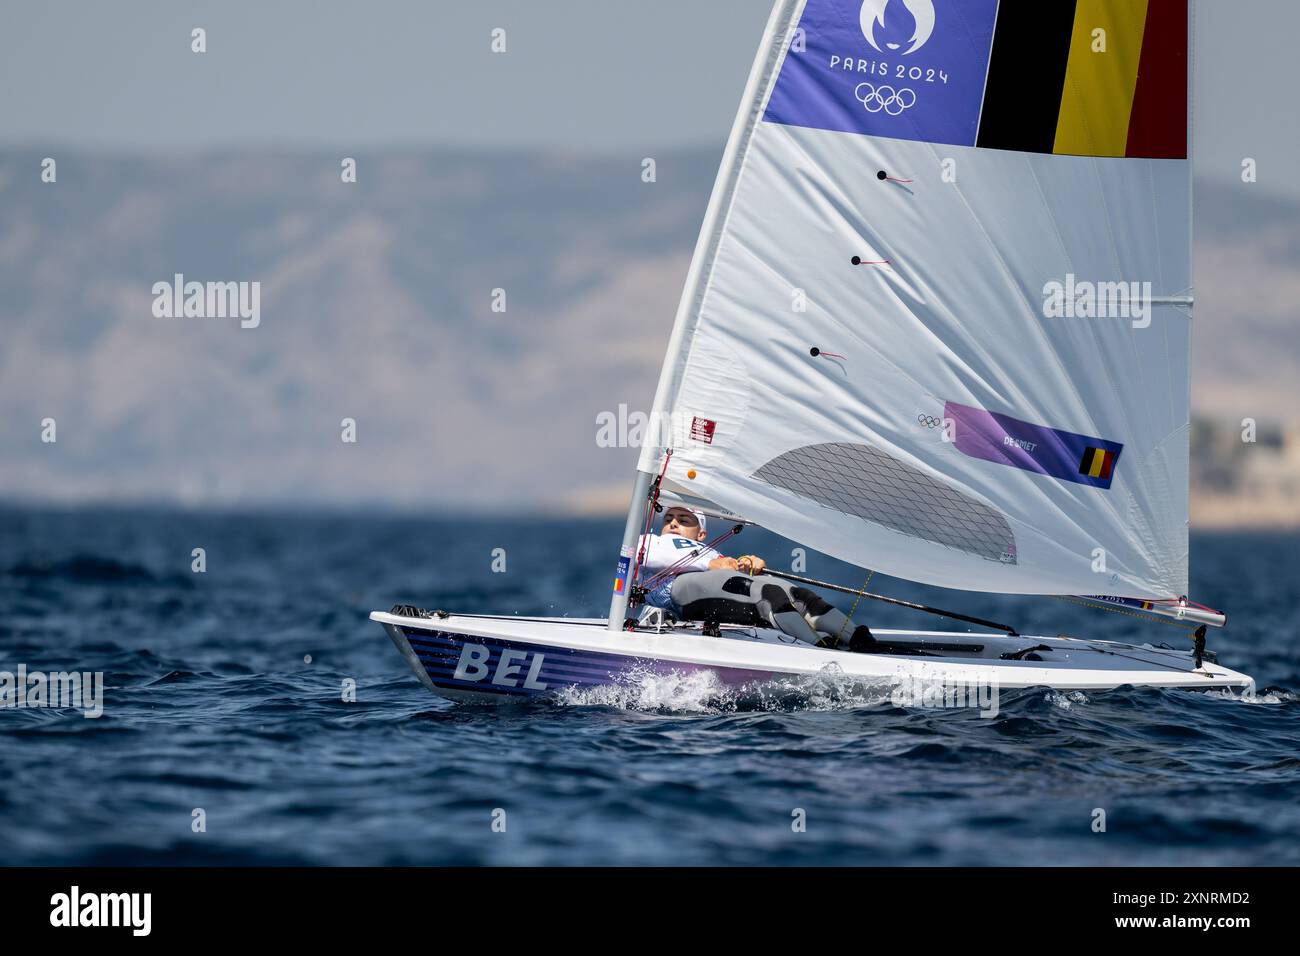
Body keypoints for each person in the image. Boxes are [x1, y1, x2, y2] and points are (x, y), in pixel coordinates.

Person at [637, 505, 877, 652]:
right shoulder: (650, 541)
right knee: (765, 596)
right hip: (674, 593)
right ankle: (820, 648)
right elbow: (642, 555)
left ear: (701, 534)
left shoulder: (712, 553)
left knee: (794, 594)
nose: (673, 523)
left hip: (712, 590)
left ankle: (859, 639)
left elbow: (727, 580)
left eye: (683, 520)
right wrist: (710, 565)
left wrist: (749, 566)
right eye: (668, 519)